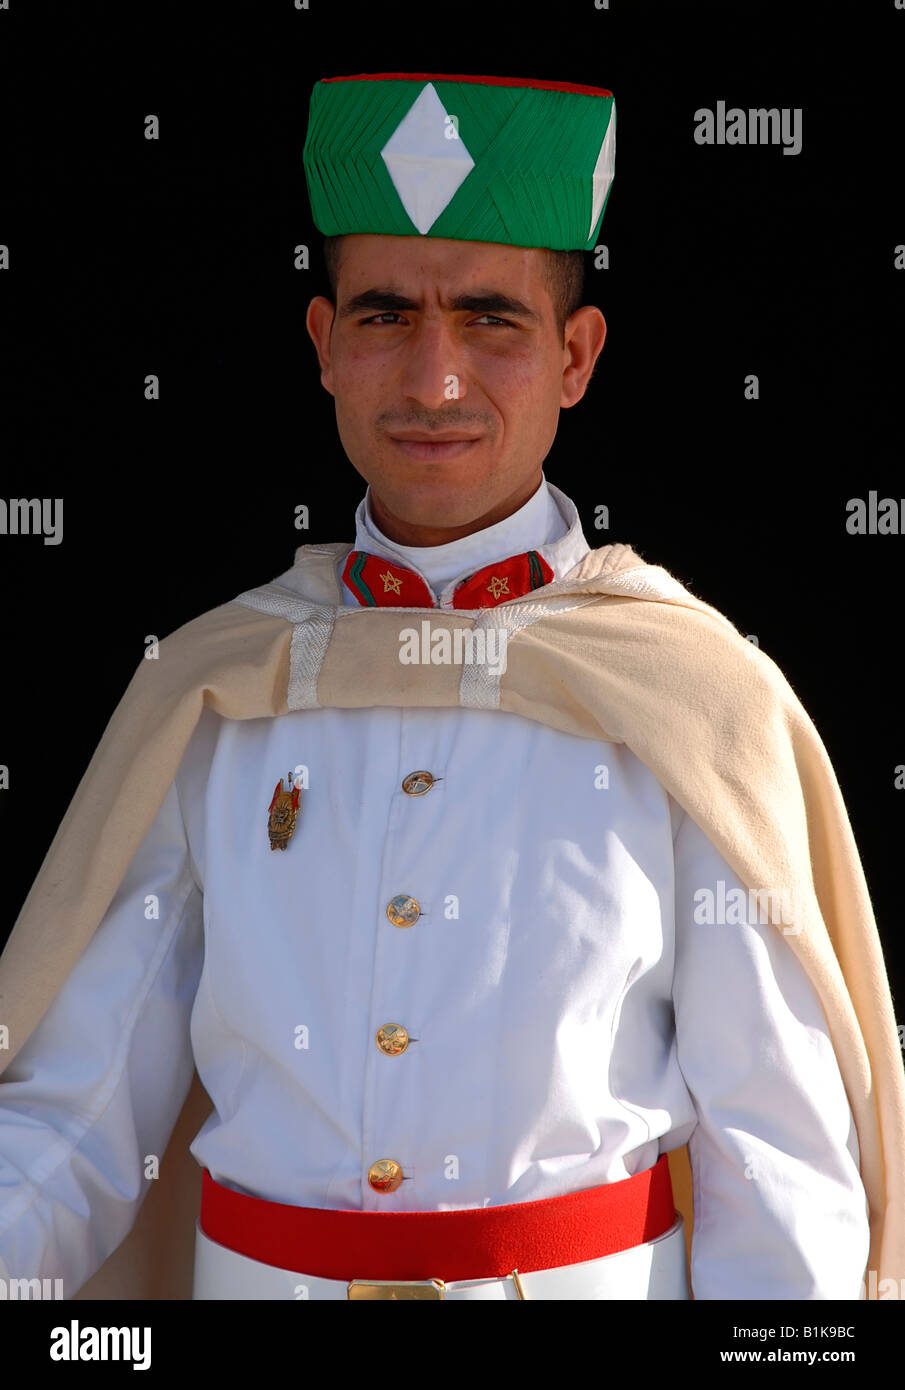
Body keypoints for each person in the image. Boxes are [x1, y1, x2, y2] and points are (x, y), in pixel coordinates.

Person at [0, 71, 901, 1302]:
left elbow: (779, 1158)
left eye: (490, 320)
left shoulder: (696, 698)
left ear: (575, 355)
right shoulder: (214, 688)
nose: (432, 381)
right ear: (322, 346)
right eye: (383, 316)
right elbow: (74, 1119)